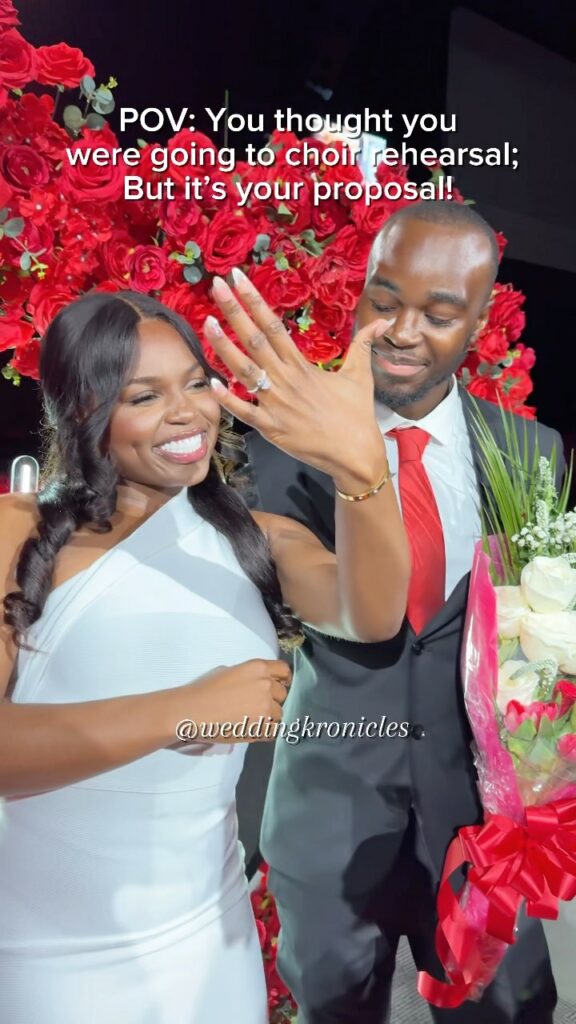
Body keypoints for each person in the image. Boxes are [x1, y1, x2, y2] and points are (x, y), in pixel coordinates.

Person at [0, 280, 411, 1024]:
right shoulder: (15, 532)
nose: (186, 411)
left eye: (196, 383)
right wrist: (188, 711)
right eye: (145, 396)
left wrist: (362, 469)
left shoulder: (262, 537)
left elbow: (372, 615)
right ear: (82, 407)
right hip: (46, 955)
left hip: (205, 948)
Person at [246, 201, 567, 1023]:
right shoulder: (283, 441)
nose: (398, 330)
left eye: (438, 312)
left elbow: (535, 631)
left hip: (483, 826)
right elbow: (319, 604)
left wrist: (541, 784)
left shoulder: (530, 451)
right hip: (334, 811)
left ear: (480, 319)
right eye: (382, 299)